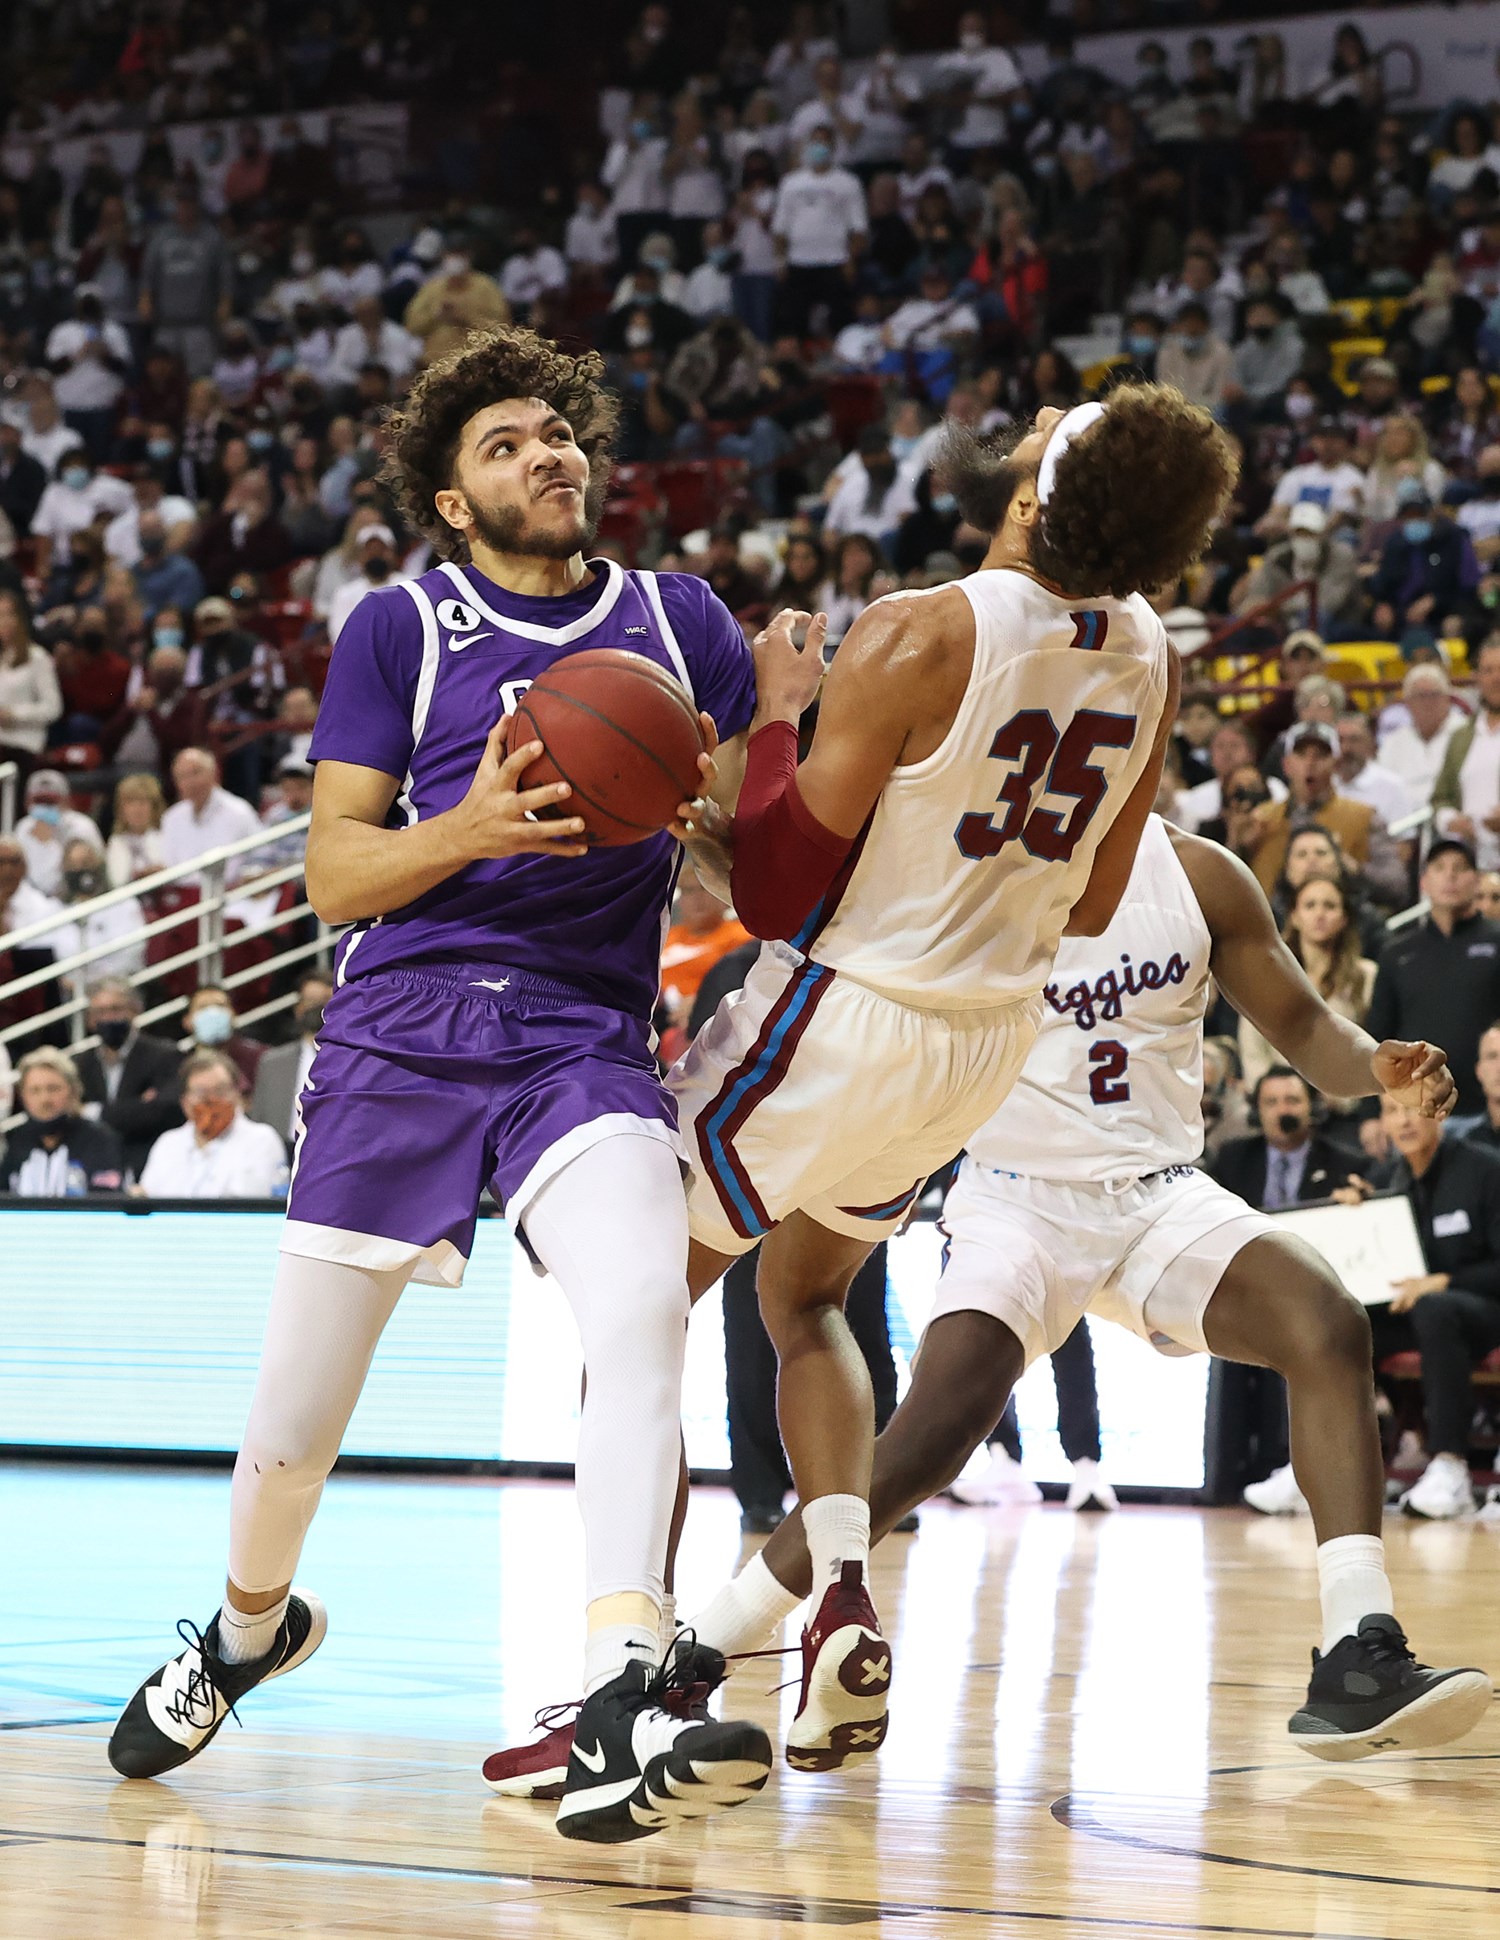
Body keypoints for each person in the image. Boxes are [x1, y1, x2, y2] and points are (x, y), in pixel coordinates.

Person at [108, 325, 769, 1847]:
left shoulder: (680, 625)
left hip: (581, 1037)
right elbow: (340, 872)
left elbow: (754, 863)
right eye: (508, 444)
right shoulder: (400, 628)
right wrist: (469, 823)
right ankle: (246, 1629)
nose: (550, 454)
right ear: (457, 502)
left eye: (562, 434)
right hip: (399, 1029)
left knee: (640, 1305)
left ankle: (615, 1683)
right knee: (288, 1441)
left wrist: (759, 760)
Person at [637, 820, 1484, 1766]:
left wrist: (1375, 1066)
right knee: (924, 1444)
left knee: (1323, 1319)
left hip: (1157, 1192)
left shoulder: (1202, 876)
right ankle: (701, 1649)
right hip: (1015, 1204)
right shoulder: (981, 861)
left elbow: (1303, 1029)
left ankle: (1357, 1652)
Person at [651, 387, 1223, 1772]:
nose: (1031, 411)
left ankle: (626, 1669)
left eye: (1054, 419)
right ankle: (840, 1600)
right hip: (977, 1048)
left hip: (844, 1024)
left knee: (628, 1304)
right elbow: (1086, 911)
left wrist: (779, 717)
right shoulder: (1148, 652)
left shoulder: (917, 629)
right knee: (804, 1302)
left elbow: (783, 895)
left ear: (1044, 485)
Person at [1356, 1094, 1500, 1519]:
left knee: (1436, 1307)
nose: (1403, 1120)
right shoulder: (1382, 1179)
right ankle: (1319, 1464)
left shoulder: (1485, 1170)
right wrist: (1353, 1218)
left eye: (1413, 1108)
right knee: (1342, 1322)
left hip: (1486, 1310)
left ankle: (1450, 1465)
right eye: (1391, 1110)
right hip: (1424, 1316)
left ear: (1439, 1113)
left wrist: (1445, 1281)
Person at [1367, 837, 1500, 1118]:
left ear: (1477, 881)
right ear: (1424, 882)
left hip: (1491, 1111)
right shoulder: (1396, 952)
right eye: (1439, 867)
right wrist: (1370, 1115)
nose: (1450, 875)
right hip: (1417, 1110)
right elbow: (1378, 1036)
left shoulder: (1497, 941)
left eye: (1460, 867)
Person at [1239, 875, 1376, 1106]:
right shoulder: (1269, 977)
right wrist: (1271, 1094)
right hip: (1279, 1104)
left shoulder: (1367, 976)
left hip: (1348, 1104)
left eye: (1330, 906)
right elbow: (1252, 1049)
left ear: (1344, 918)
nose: (1320, 914)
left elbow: (1373, 1046)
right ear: (1294, 916)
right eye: (1310, 905)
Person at [138, 1050, 290, 1199]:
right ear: (184, 1101)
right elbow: (146, 1196)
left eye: (220, 1091)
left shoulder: (262, 1140)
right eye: (201, 1093)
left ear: (237, 1094)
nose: (212, 1100)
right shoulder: (167, 1144)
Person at [72, 978, 183, 1180]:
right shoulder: (81, 1063)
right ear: (89, 1020)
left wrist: (93, 1111)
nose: (108, 1017)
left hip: (148, 1162)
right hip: (94, 1166)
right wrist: (136, 1106)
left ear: (135, 1011)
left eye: (116, 1009)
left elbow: (163, 1112)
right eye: (100, 1012)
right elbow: (72, 1115)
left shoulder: (164, 1055)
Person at [1247, 721, 1376, 894]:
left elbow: (1395, 884)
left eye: (1320, 755)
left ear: (1335, 764)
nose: (1310, 763)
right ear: (1286, 765)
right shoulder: (1261, 818)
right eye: (1301, 754)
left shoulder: (1363, 816)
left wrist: (1352, 867)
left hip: (1337, 916)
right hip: (1269, 918)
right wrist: (1238, 847)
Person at [4, 1046, 126, 1196]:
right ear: (23, 1096)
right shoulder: (18, 1141)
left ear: (74, 1091)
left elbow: (107, 1201)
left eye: (53, 1089)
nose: (45, 1099)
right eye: (35, 1090)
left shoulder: (99, 1139)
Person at [1432, 636, 1500, 871]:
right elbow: (1440, 798)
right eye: (1488, 671)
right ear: (1477, 678)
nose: (1496, 678)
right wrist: (1451, 820)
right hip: (1471, 864)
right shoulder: (1461, 736)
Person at [658, 870, 749, 1029]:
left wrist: (700, 1001)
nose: (697, 898)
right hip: (655, 1013)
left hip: (704, 1020)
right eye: (689, 891)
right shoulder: (665, 937)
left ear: (723, 896)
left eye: (704, 889)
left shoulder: (742, 938)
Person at [250, 972, 332, 1145]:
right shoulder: (271, 1062)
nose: (316, 1008)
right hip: (282, 1151)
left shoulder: (354, 1059)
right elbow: (259, 1119)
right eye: (310, 1000)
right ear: (298, 1008)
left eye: (324, 1001)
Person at [1378, 664, 1465, 811]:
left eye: (1434, 695)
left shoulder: (1464, 733)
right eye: (1420, 696)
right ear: (1407, 703)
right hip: (1402, 824)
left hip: (1451, 819)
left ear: (1447, 699)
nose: (1427, 703)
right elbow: (1383, 788)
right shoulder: (1394, 741)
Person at [14, 768, 100, 898]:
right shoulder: (23, 827)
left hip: (73, 897)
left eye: (50, 802)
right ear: (27, 803)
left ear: (66, 801)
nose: (44, 807)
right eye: (39, 801)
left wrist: (49, 845)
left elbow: (91, 873)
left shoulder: (82, 827)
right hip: (32, 901)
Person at [1336, 710, 1415, 826]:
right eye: (1340, 740)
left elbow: (1404, 839)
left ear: (1370, 743)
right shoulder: (1324, 782)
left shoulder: (1391, 786)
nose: (1346, 748)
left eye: (1354, 740)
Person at [183, 984, 263, 1092]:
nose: (213, 1013)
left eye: (220, 1006)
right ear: (187, 1021)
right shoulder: (180, 1064)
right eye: (203, 1007)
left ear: (233, 1015)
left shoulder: (259, 1058)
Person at [106, 772, 167, 887]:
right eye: (130, 803)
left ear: (154, 807)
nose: (137, 809)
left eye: (142, 802)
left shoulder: (165, 835)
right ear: (121, 809)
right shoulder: (116, 842)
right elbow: (117, 881)